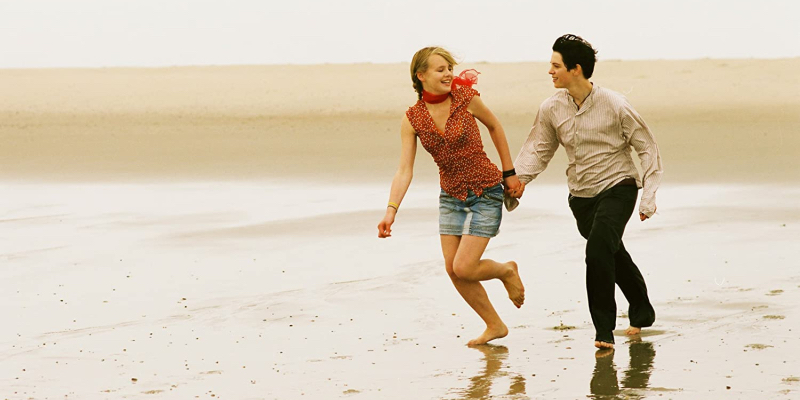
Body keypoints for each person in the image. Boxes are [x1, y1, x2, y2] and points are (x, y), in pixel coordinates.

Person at [512, 34, 663, 349]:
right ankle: (643, 309)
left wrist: (648, 196)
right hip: (580, 198)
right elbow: (538, 149)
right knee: (609, 251)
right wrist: (519, 181)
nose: (550, 72)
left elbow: (646, 147)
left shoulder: (616, 104)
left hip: (618, 187)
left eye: (556, 66)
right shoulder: (552, 108)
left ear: (575, 69)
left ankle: (604, 331)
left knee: (597, 251)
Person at [377, 47, 525, 346]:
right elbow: (404, 170)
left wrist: (509, 172)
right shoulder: (413, 119)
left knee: (465, 266)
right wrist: (391, 210)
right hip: (451, 196)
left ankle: (506, 270)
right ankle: (494, 325)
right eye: (440, 69)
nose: (448, 74)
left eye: (449, 68)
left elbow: (495, 126)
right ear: (421, 76)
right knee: (452, 268)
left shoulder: (466, 99)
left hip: (485, 189)